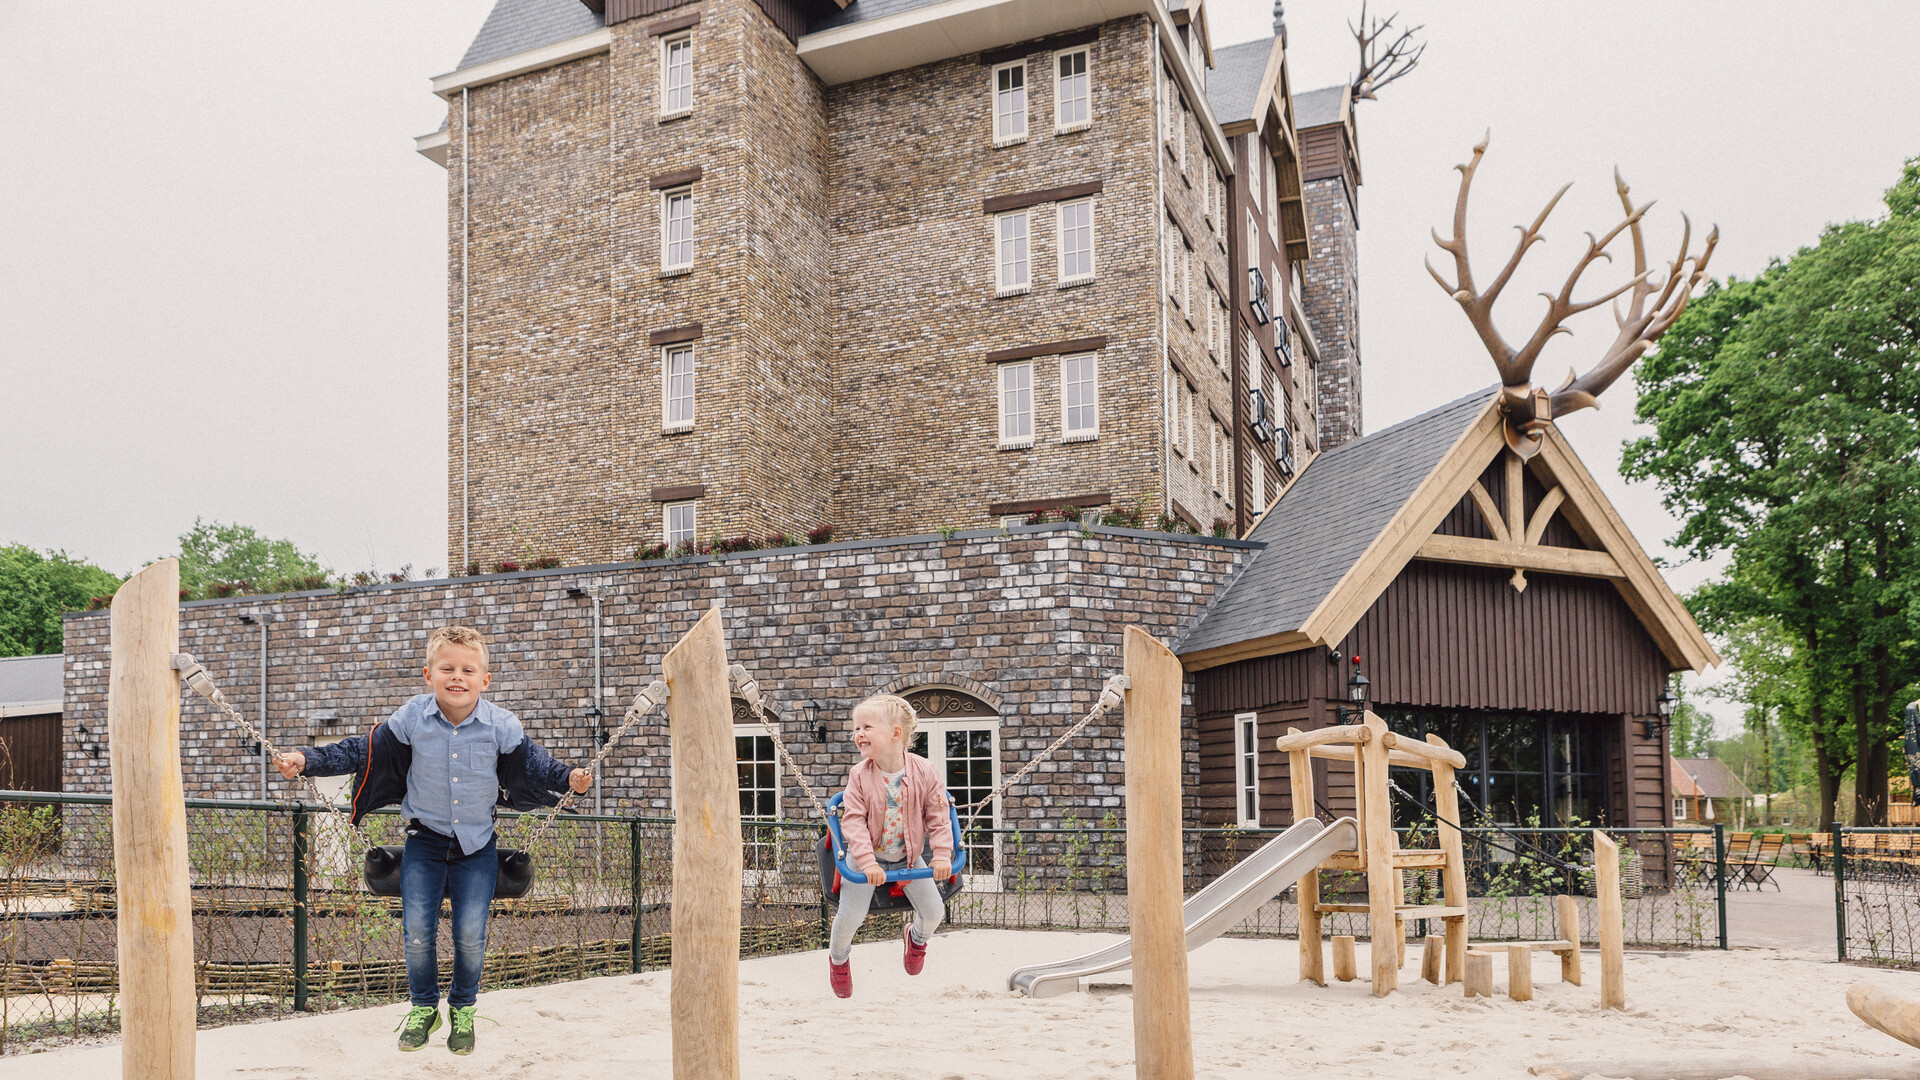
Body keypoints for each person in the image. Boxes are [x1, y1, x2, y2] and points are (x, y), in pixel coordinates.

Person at [275, 625, 591, 1054]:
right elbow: (359, 751)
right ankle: (424, 1008)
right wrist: (306, 759)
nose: (457, 677)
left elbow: (538, 764)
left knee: (469, 933)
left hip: (476, 846)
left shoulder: (502, 726)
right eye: (447, 668)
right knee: (418, 931)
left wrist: (569, 777)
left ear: (485, 680)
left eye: (467, 669)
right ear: (429, 675)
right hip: (423, 842)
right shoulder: (411, 718)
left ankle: (462, 1009)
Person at [827, 694, 954, 998]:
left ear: (896, 734)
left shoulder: (925, 771)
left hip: (908, 859)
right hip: (865, 859)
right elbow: (854, 821)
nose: (859, 734)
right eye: (856, 728)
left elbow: (939, 815)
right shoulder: (859, 775)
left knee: (935, 912)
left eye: (867, 727)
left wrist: (940, 855)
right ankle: (839, 960)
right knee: (850, 918)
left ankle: (916, 938)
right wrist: (867, 862)